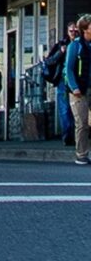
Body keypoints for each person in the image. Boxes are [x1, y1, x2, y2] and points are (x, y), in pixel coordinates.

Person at [64, 14, 91, 166]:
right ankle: (81, 154)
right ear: (85, 29)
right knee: (82, 123)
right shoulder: (75, 46)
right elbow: (68, 68)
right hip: (79, 91)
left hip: (90, 87)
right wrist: (74, 87)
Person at [47, 22, 79, 146]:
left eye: (76, 31)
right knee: (65, 109)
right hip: (63, 81)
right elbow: (49, 61)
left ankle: (78, 135)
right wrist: (60, 52)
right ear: (67, 32)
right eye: (71, 31)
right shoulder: (61, 45)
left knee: (78, 109)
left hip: (78, 80)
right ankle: (68, 135)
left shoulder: (82, 45)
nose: (74, 33)